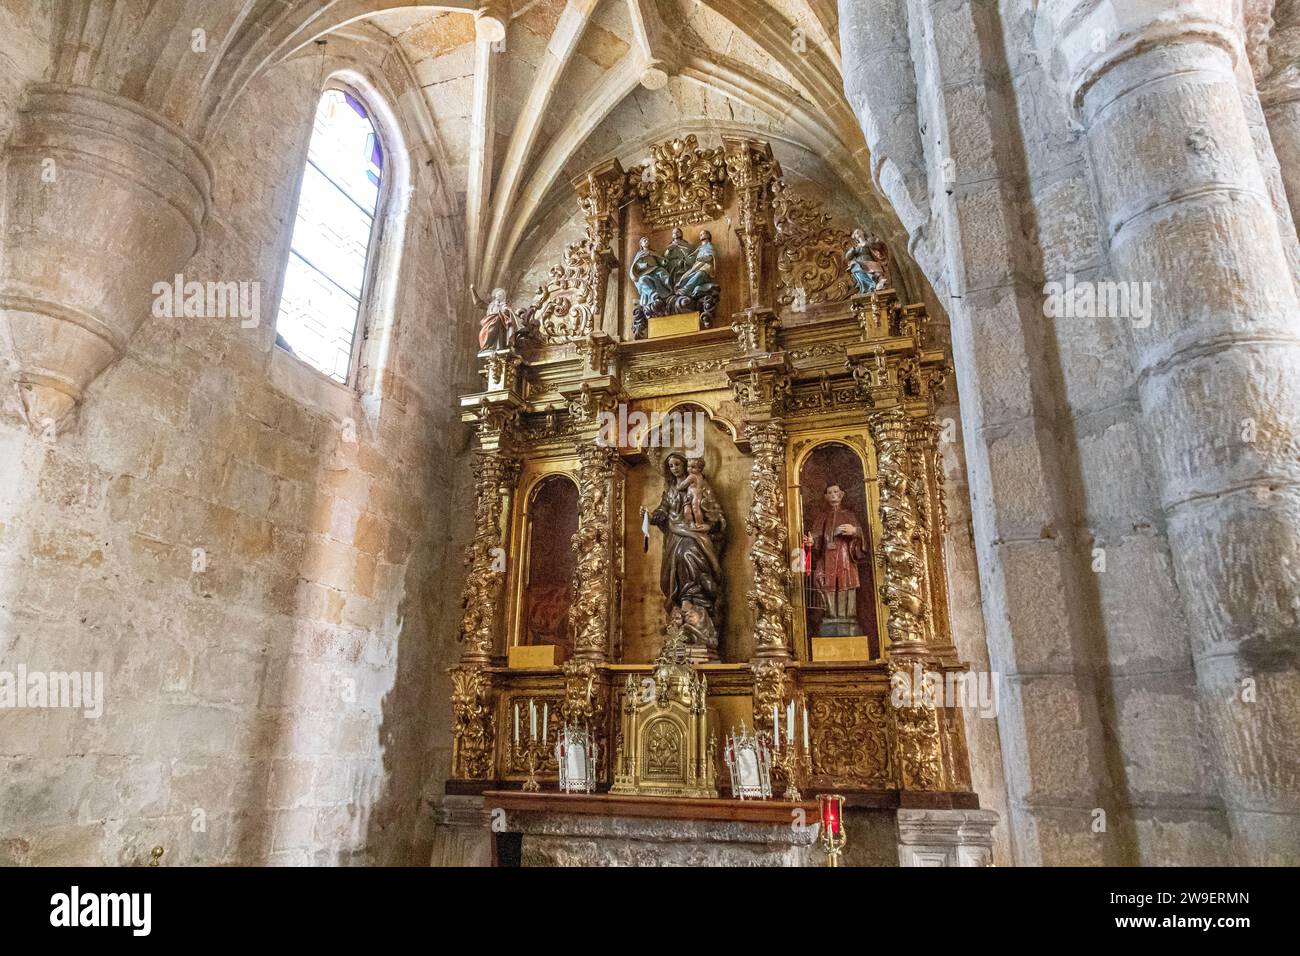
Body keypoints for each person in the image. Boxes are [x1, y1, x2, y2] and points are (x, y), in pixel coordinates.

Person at [641, 452, 726, 649]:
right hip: (675, 536)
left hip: (695, 535)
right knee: (677, 564)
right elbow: (662, 512)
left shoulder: (699, 485)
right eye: (670, 466)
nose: (674, 468)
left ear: (685, 464)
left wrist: (709, 525)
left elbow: (716, 515)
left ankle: (694, 602)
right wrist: (650, 516)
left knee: (690, 556)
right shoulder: (670, 490)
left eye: (677, 464)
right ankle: (682, 603)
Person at [802, 482, 868, 635]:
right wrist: (812, 542)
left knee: (847, 583)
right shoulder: (822, 517)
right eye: (830, 492)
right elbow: (816, 536)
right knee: (828, 584)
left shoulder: (849, 515)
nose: (833, 495)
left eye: (836, 492)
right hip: (827, 558)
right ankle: (830, 615)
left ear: (841, 494)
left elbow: (861, 536)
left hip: (845, 555)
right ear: (825, 497)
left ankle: (848, 617)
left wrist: (855, 531)